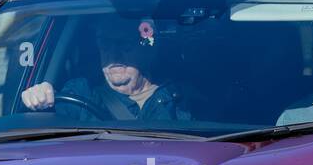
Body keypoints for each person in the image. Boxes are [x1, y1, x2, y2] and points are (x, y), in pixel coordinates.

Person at [20, 19, 189, 122]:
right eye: (105, 44)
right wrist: (40, 98)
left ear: (149, 48)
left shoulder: (182, 97)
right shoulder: (81, 92)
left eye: (124, 44)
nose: (113, 54)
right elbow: (47, 127)